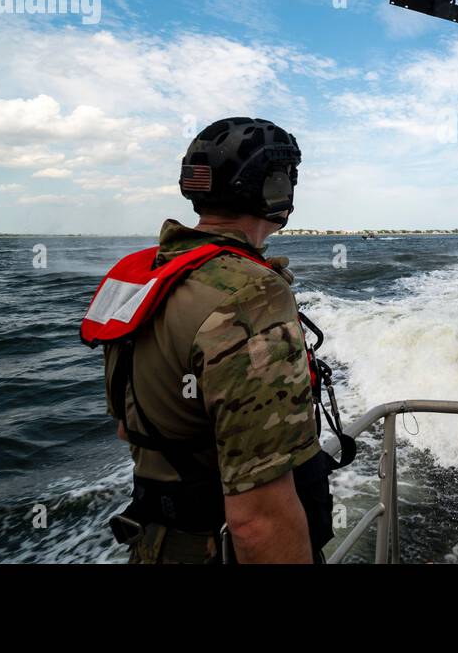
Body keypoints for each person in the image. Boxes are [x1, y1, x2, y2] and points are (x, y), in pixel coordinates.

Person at [80, 117, 352, 563]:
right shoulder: (251, 292)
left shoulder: (147, 275)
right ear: (275, 185)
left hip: (152, 544)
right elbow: (256, 519)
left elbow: (127, 425)